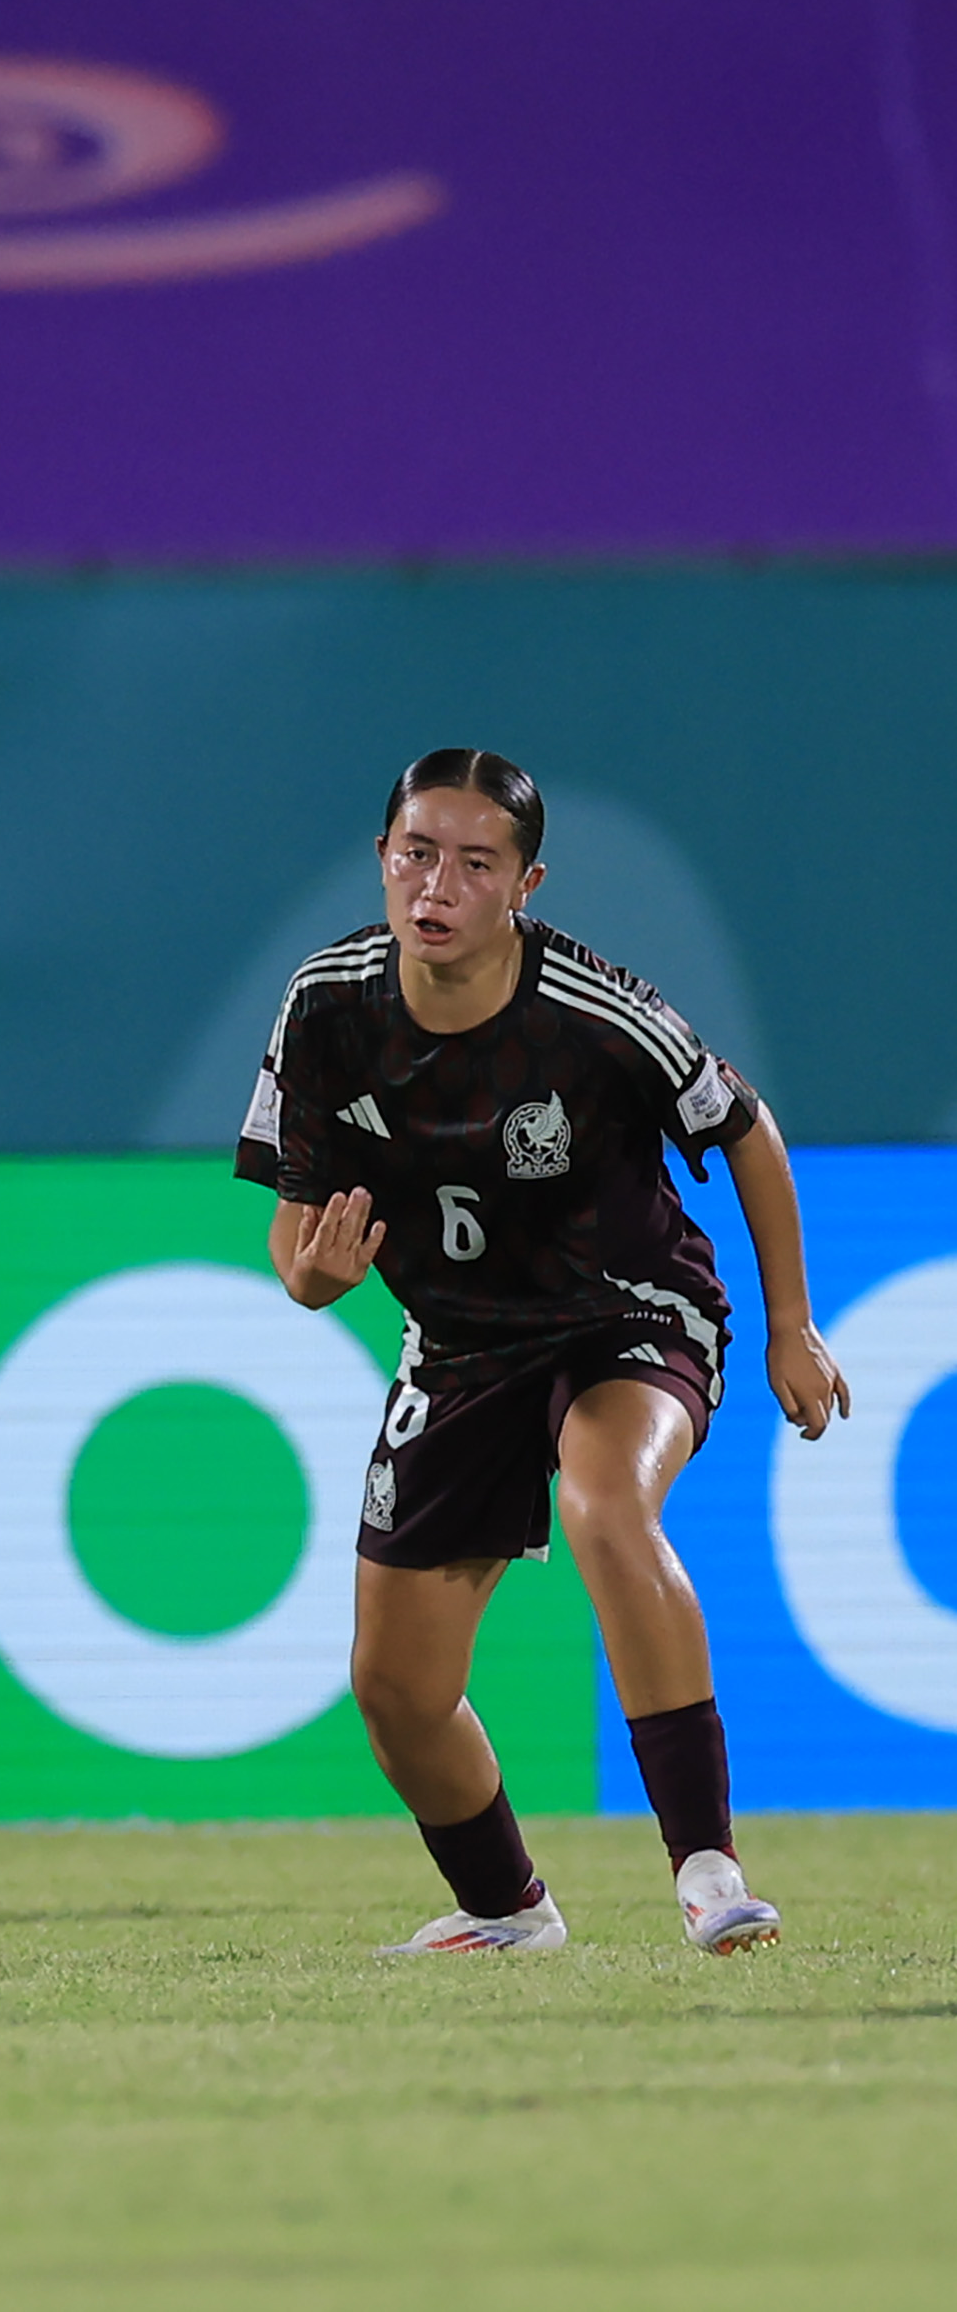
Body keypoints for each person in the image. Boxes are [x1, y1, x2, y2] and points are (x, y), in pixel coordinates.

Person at [240, 747, 848, 1956]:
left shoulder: (589, 1011)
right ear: (381, 858)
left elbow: (747, 1131)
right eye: (416, 853)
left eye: (475, 863)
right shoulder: (324, 1008)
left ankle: (706, 1866)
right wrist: (309, 1275)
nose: (437, 885)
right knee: (396, 1692)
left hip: (625, 1313)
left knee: (602, 1503)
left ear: (523, 884)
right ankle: (506, 1910)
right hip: (458, 1348)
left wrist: (788, 1323)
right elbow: (293, 1234)